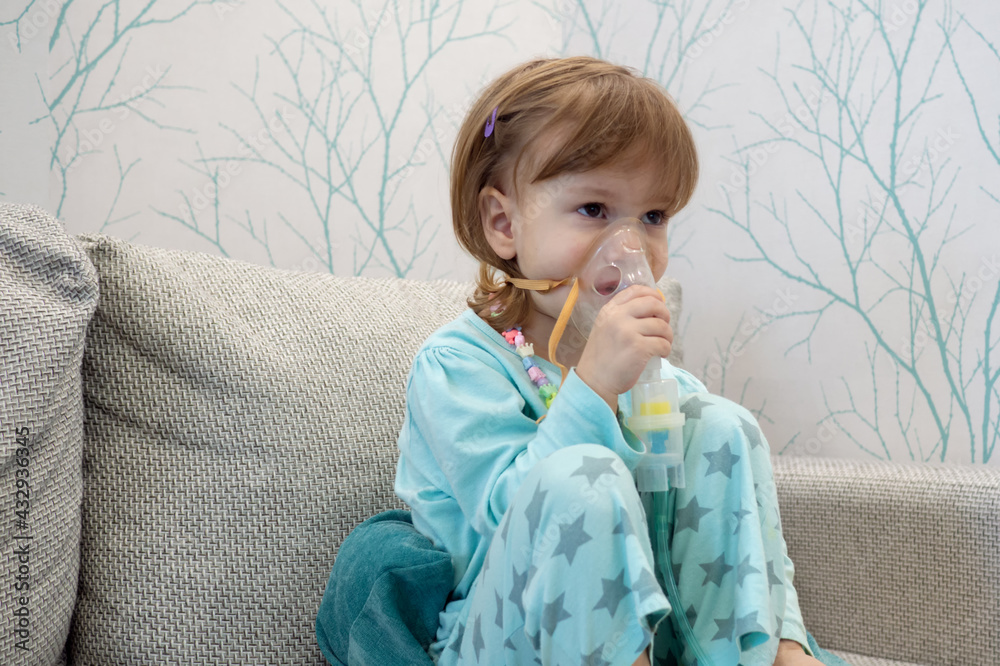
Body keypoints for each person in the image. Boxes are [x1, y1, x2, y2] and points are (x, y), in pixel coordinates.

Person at [394, 55, 840, 666]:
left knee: (721, 426)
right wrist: (595, 383)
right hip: (504, 638)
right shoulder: (458, 366)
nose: (630, 246)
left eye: (652, 217)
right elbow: (509, 517)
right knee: (584, 477)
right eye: (595, 210)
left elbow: (750, 541)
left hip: (655, 642)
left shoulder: (654, 378)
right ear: (504, 223)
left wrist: (785, 635)